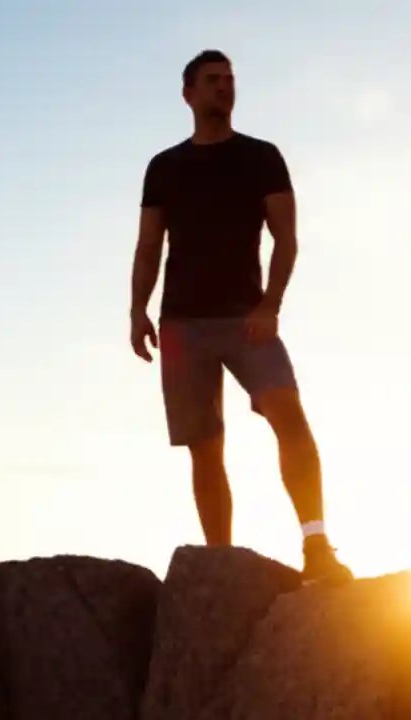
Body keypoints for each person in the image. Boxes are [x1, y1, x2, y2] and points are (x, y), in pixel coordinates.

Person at [129, 49, 353, 586]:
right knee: (205, 448)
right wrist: (137, 309)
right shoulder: (164, 167)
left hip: (247, 319)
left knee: (289, 417)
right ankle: (221, 564)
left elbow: (286, 238)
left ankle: (316, 544)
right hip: (181, 324)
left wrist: (271, 303)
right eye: (212, 80)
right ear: (188, 94)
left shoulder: (261, 157)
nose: (224, 87)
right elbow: (149, 246)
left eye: (229, 79)